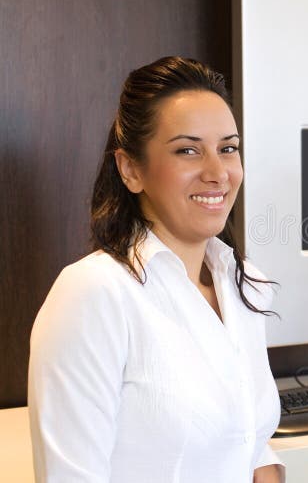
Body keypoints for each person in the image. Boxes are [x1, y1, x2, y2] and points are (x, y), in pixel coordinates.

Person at [28, 57, 284, 483]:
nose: (217, 172)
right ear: (131, 169)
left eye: (228, 148)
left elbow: (243, 434)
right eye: (187, 150)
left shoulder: (245, 283)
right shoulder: (93, 293)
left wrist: (264, 462)